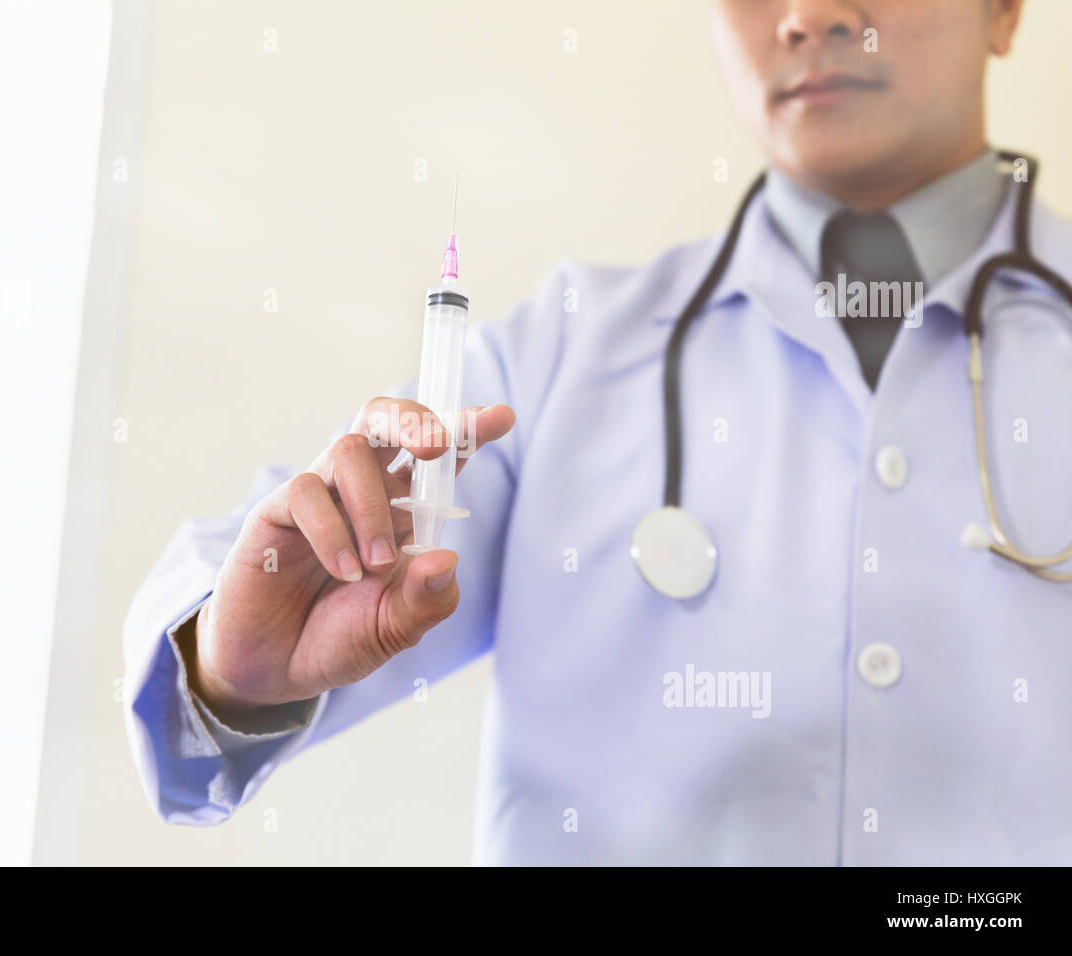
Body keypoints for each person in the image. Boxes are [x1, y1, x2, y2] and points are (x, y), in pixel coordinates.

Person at [123, 0, 1072, 864]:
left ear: (1003, 10)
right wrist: (227, 670)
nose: (810, 15)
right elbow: (255, 618)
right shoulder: (558, 356)